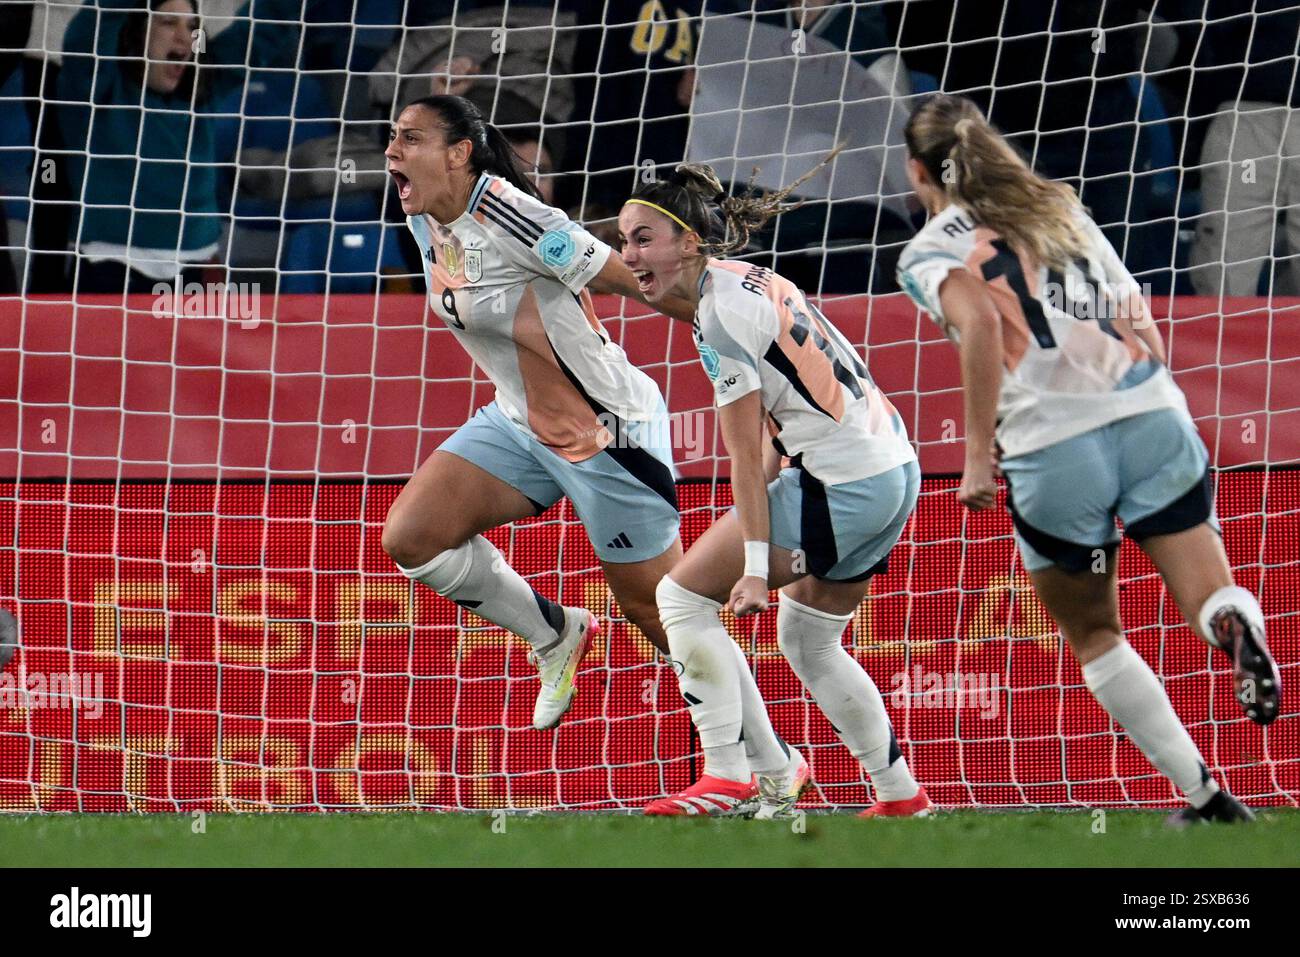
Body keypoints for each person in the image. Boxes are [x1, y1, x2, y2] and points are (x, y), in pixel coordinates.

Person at [896, 94, 1280, 827]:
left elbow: (981, 325)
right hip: (1150, 413)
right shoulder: (1059, 205)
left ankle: (1206, 797)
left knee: (1096, 632)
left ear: (918, 171)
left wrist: (976, 457)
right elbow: (1134, 308)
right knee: (1208, 591)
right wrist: (1160, 392)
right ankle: (1234, 623)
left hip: (1054, 443)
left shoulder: (927, 251)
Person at [618, 161, 929, 818]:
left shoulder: (719, 318)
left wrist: (756, 568)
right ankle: (900, 794)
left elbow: (742, 453)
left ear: (689, 243)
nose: (629, 256)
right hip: (894, 467)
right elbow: (778, 426)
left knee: (678, 596)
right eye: (623, 242)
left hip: (844, 484)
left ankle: (728, 775)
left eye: (643, 239)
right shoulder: (751, 279)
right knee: (809, 640)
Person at [380, 95, 697, 731]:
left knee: (658, 611)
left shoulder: (513, 214)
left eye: (410, 138)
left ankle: (764, 758)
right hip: (519, 421)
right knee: (412, 537)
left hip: (605, 433)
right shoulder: (424, 219)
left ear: (459, 153)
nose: (391, 152)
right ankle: (555, 634)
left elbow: (628, 279)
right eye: (392, 137)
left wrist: (738, 321)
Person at [57, 0, 303, 293]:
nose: (184, 37)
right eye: (168, 23)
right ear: (137, 32)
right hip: (111, 269)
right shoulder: (97, 91)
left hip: (195, 272)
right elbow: (95, 26)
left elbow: (268, 22)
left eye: (192, 27)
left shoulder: (204, 89)